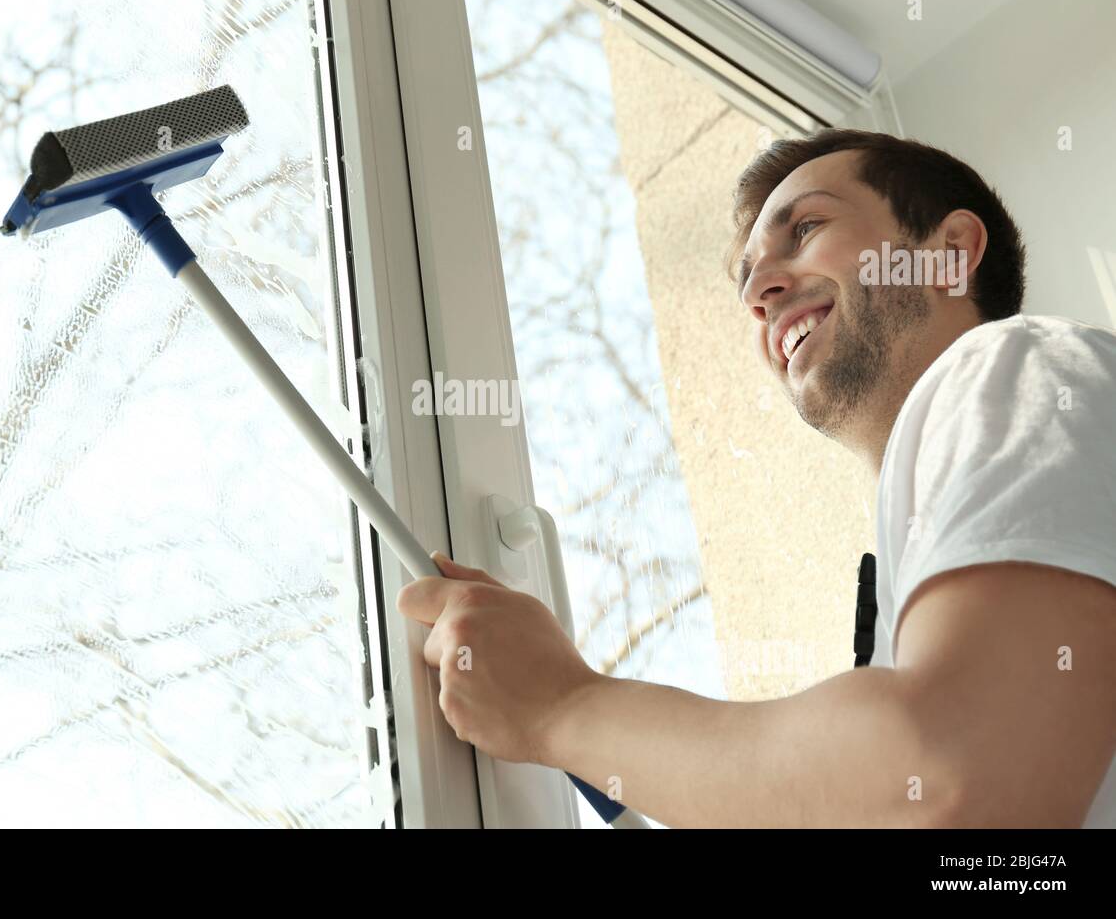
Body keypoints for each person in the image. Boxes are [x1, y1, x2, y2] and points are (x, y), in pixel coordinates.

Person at [397, 129, 1116, 827]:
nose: (759, 292)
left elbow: (960, 781)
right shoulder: (914, 572)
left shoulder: (1018, 364)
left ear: (949, 255)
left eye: (804, 228)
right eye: (748, 278)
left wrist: (561, 707)